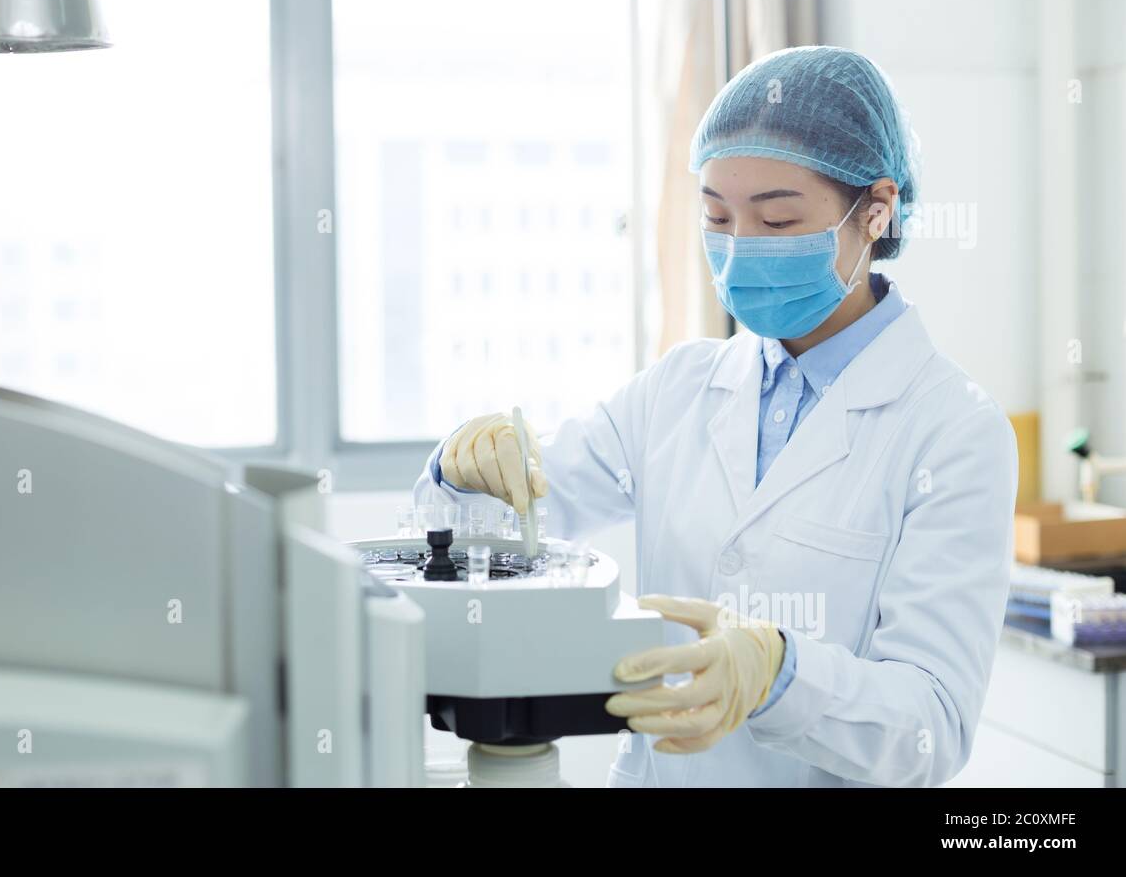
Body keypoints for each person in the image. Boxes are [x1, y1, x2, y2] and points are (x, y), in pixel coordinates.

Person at [413, 46, 1017, 787]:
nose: (738, 250)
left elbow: (931, 726)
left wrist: (779, 675)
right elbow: (497, 536)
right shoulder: (681, 386)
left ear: (877, 209)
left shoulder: (954, 431)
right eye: (716, 216)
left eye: (778, 217)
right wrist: (462, 471)